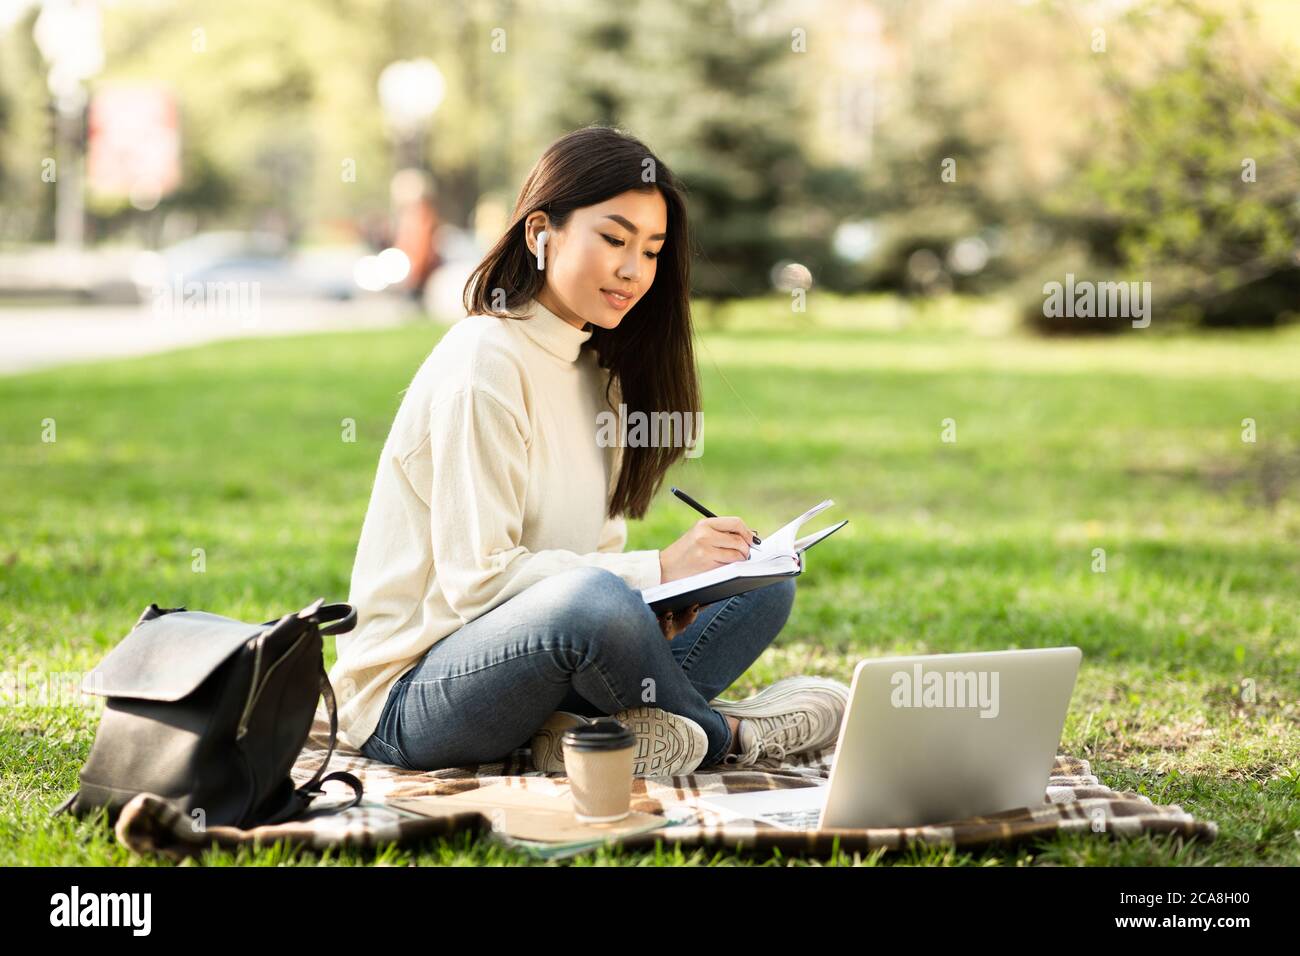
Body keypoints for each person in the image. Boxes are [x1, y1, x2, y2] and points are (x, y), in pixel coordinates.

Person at [329, 125, 849, 776]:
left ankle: (575, 736)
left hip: (541, 667)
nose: (634, 270)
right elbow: (477, 584)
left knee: (761, 584)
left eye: (653, 250)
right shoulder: (482, 365)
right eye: (614, 239)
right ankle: (730, 735)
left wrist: (681, 592)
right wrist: (657, 568)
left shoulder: (600, 378)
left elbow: (598, 559)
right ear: (540, 232)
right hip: (412, 698)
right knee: (593, 602)